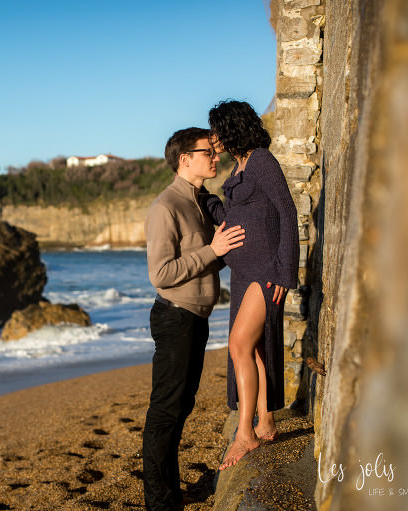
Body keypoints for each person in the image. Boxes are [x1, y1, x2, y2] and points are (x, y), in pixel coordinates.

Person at [143, 127, 245, 510]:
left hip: (196, 317)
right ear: (185, 159)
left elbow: (204, 259)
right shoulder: (165, 206)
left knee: (181, 406)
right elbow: (162, 274)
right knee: (166, 410)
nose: (215, 158)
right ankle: (160, 501)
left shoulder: (200, 201)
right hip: (175, 318)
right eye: (208, 153)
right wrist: (212, 249)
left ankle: (168, 492)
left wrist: (222, 250)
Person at [201, 100, 299, 470]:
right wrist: (206, 200)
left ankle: (245, 433)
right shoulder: (240, 165)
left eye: (217, 131)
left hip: (265, 271)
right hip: (243, 274)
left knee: (239, 344)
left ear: (232, 128)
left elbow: (286, 212)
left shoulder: (261, 160)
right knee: (254, 348)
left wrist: (285, 272)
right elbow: (234, 216)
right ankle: (266, 420)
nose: (213, 140)